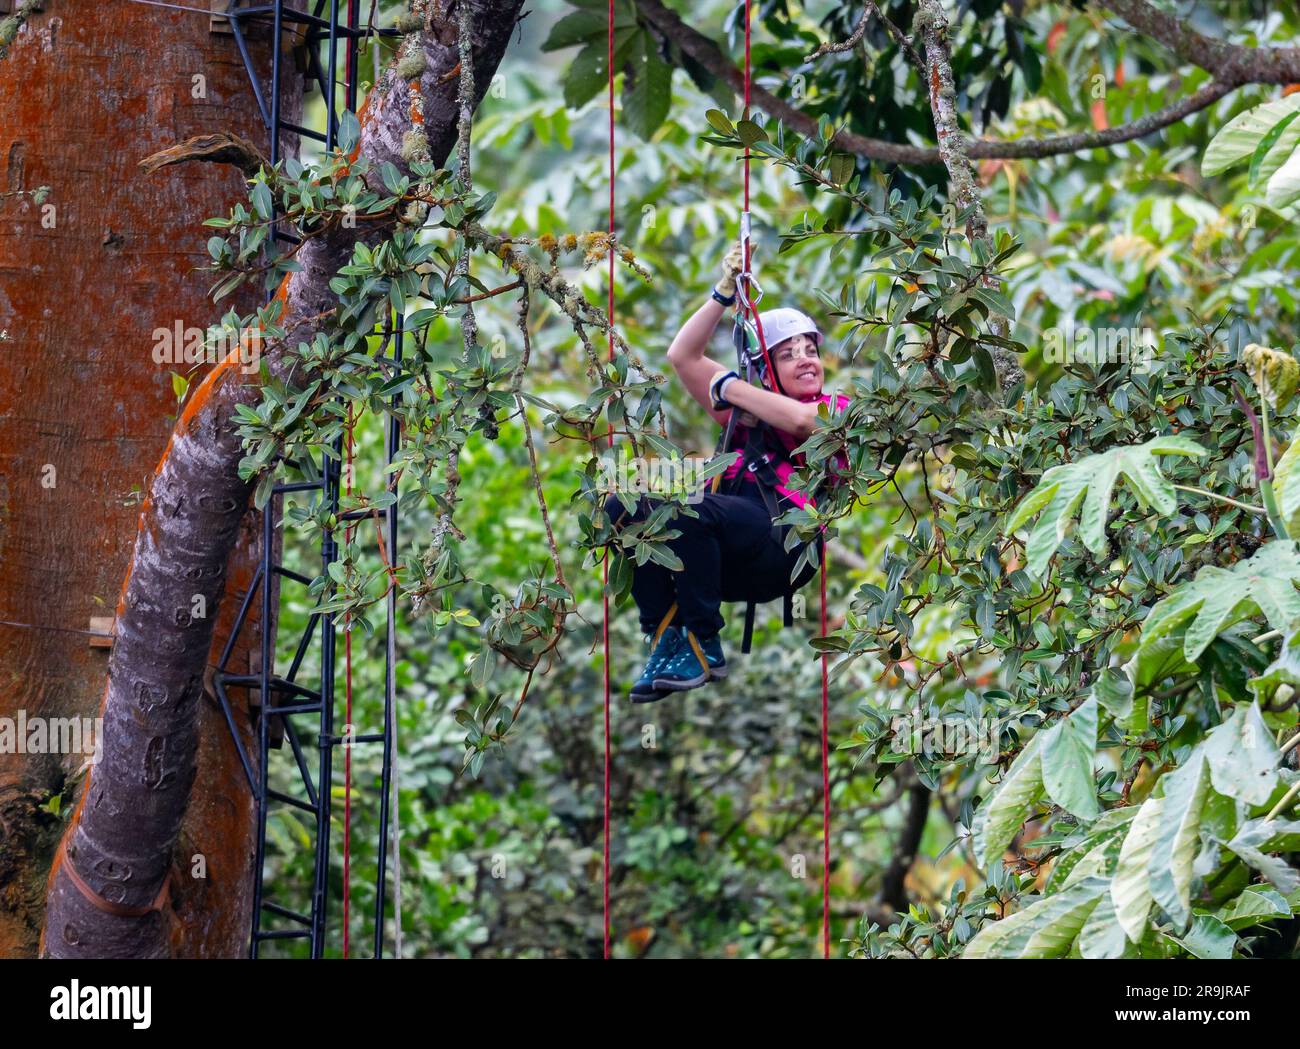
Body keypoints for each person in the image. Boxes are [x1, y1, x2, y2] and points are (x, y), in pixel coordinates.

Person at [604, 243, 850, 703]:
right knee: (624, 507)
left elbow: (800, 424)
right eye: (788, 354)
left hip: (785, 544)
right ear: (766, 370)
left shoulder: (836, 410)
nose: (806, 359)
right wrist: (722, 294)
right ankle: (666, 635)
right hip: (728, 551)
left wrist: (732, 388)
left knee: (690, 509)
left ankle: (703, 642)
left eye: (810, 350)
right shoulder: (744, 410)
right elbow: (684, 357)